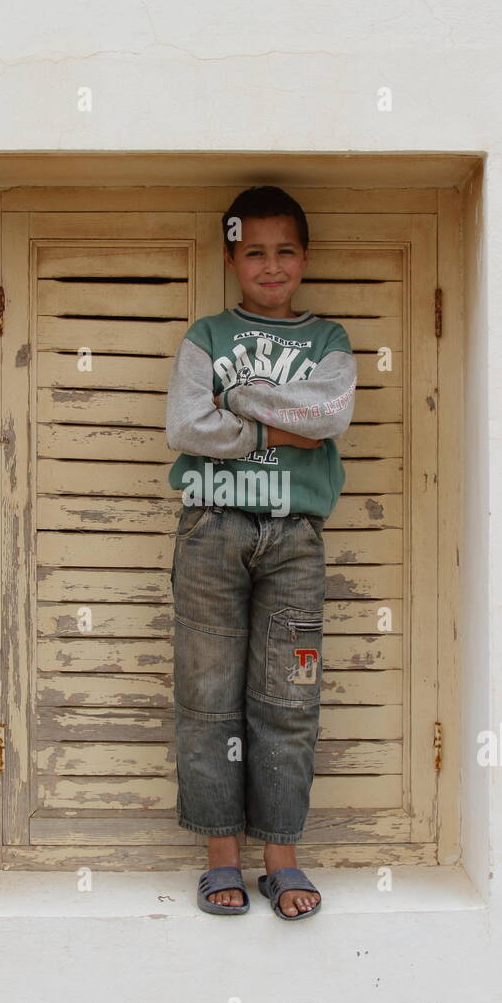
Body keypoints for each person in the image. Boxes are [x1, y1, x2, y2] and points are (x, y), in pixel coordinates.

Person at [165, 185, 357, 919]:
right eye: (254, 253)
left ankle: (281, 857)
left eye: (285, 251)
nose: (270, 266)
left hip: (296, 541)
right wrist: (279, 427)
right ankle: (222, 859)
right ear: (232, 258)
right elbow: (187, 426)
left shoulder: (331, 341)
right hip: (211, 530)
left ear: (304, 257)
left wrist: (237, 400)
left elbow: (330, 413)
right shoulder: (205, 336)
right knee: (208, 698)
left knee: (289, 698)